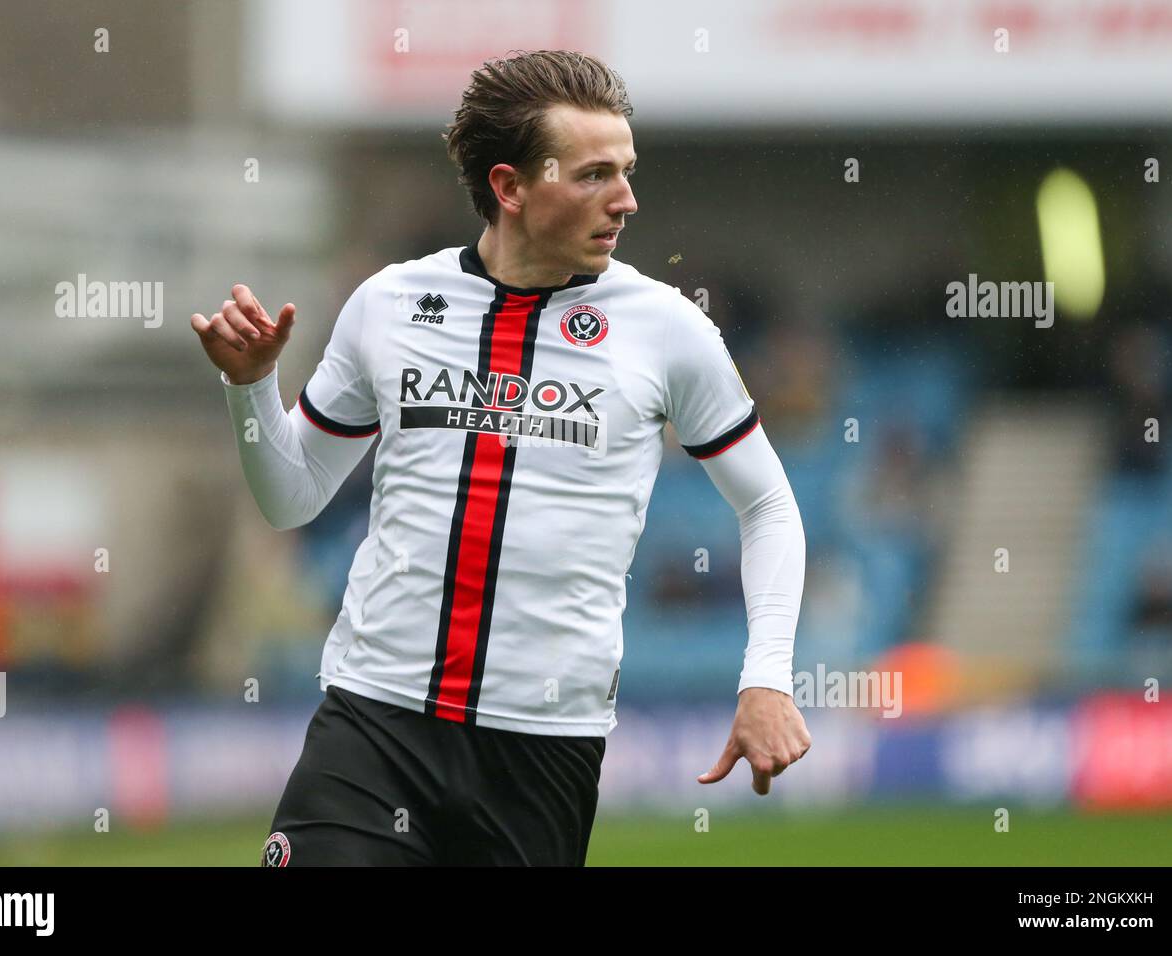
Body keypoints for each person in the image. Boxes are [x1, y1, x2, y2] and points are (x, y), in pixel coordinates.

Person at [191, 50, 809, 866]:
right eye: (594, 175)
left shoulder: (669, 331)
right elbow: (292, 497)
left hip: (542, 747)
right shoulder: (388, 306)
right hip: (376, 722)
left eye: (625, 171)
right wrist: (252, 389)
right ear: (511, 187)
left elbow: (766, 505)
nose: (626, 199)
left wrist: (766, 675)